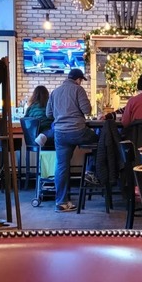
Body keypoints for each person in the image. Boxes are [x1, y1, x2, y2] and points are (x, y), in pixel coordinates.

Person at [46, 68, 98, 212]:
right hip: (78, 131)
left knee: (62, 165)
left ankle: (61, 202)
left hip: (60, 134)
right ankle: (91, 171)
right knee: (101, 140)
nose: (81, 82)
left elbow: (48, 113)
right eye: (81, 80)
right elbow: (87, 110)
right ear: (78, 79)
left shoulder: (55, 92)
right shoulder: (78, 90)